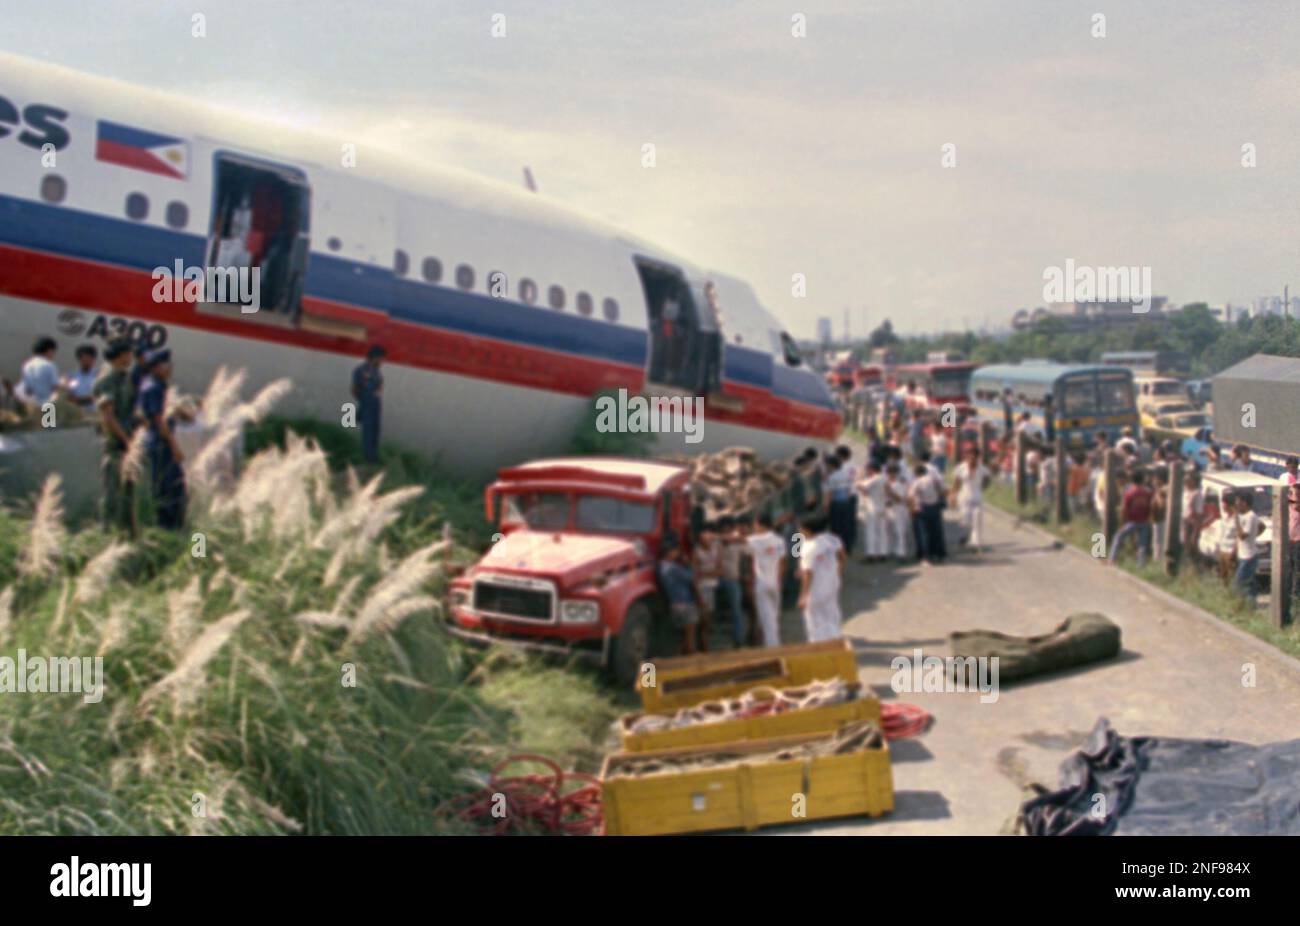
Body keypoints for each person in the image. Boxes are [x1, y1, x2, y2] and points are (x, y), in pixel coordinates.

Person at [137, 348, 187, 530]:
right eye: (166, 365)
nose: (170, 368)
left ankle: (170, 525)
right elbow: (160, 421)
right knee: (170, 486)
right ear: (157, 367)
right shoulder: (154, 388)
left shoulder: (153, 384)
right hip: (162, 444)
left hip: (157, 441)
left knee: (168, 485)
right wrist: (175, 448)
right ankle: (169, 527)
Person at [92, 338, 138, 533]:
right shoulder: (107, 381)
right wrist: (127, 441)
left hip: (128, 441)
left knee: (128, 489)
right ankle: (106, 529)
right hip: (116, 443)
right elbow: (108, 417)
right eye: (128, 353)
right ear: (120, 355)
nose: (131, 357)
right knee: (112, 489)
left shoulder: (125, 377)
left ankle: (126, 530)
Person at [797, 518, 845, 643]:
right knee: (832, 617)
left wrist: (803, 596)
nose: (799, 532)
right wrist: (837, 574)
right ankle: (837, 645)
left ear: (807, 530)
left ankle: (820, 649)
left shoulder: (808, 547)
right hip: (831, 585)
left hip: (815, 590)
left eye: (801, 529)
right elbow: (842, 557)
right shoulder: (832, 539)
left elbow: (808, 573)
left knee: (815, 625)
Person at [746, 513, 785, 647]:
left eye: (755, 524)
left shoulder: (755, 540)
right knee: (774, 618)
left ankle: (773, 648)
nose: (753, 527)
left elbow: (738, 540)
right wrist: (779, 580)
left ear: (760, 524)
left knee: (767, 620)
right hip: (775, 583)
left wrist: (714, 536)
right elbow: (783, 562)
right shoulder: (779, 540)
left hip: (762, 584)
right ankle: (774, 644)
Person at [657, 542, 699, 655]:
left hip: (674, 604)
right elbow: (691, 577)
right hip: (685, 603)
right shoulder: (674, 568)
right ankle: (692, 661)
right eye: (676, 551)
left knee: (679, 638)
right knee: (690, 637)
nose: (678, 553)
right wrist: (689, 564)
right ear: (669, 552)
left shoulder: (661, 567)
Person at [1108, 469, 1153, 567]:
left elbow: (1124, 510)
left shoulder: (1129, 493)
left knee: (1118, 537)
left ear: (1132, 480)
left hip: (1132, 521)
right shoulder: (1148, 493)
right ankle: (1140, 565)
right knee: (1142, 545)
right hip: (1144, 521)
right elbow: (1150, 507)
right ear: (1142, 480)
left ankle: (1112, 560)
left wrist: (1122, 524)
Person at [716, 516, 747, 648]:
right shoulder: (715, 542)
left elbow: (749, 552)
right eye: (724, 530)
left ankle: (738, 639)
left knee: (736, 610)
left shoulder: (738, 544)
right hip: (714, 579)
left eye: (729, 530)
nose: (727, 533)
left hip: (732, 579)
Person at [950, 448, 990, 551]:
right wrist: (953, 496)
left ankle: (976, 544)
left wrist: (983, 485)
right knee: (966, 520)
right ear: (966, 457)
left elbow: (987, 480)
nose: (972, 460)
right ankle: (966, 535)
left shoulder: (982, 469)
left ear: (978, 457)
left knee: (977, 519)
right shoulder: (961, 468)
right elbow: (957, 483)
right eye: (970, 457)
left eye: (975, 457)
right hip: (964, 496)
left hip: (977, 495)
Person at [352, 345, 385, 465]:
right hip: (366, 402)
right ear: (374, 358)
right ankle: (368, 458)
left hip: (375, 404)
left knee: (375, 430)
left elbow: (380, 384)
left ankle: (373, 456)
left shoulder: (376, 371)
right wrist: (363, 400)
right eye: (380, 359)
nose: (382, 362)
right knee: (368, 431)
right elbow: (355, 389)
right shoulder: (361, 370)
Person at [907, 462, 946, 564]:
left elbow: (911, 496)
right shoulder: (934, 480)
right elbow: (942, 491)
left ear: (916, 473)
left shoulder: (917, 482)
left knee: (923, 533)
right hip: (935, 507)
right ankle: (938, 554)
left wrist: (911, 510)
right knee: (936, 532)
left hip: (922, 508)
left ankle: (925, 557)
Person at [691, 523, 721, 651]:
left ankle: (704, 644)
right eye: (704, 533)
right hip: (702, 589)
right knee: (703, 620)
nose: (707, 536)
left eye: (709, 533)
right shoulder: (696, 551)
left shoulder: (716, 548)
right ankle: (703, 647)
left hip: (712, 587)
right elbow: (695, 575)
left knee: (708, 619)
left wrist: (704, 574)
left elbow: (720, 570)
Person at [1231, 493, 1264, 605]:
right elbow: (1261, 526)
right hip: (1243, 554)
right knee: (1250, 583)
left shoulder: (1250, 516)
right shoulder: (1245, 515)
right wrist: (1254, 535)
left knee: (1238, 582)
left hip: (1249, 556)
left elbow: (1242, 536)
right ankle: (1251, 605)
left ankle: (1240, 604)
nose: (1236, 504)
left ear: (1244, 502)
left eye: (1238, 502)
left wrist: (1236, 520)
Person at [856, 461, 889, 562]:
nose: (867, 471)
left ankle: (871, 555)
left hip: (872, 508)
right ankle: (882, 553)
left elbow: (861, 486)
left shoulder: (874, 479)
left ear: (872, 469)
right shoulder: (884, 477)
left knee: (871, 531)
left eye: (868, 469)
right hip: (882, 506)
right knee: (881, 531)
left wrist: (859, 479)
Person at [17, 336, 60, 408]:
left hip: (30, 404)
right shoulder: (49, 365)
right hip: (46, 404)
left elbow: (28, 387)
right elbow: (55, 386)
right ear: (49, 350)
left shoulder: (28, 365)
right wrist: (65, 385)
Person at [1181, 471, 1205, 564]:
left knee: (1191, 546)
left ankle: (1196, 566)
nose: (1186, 481)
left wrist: (1195, 533)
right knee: (1184, 545)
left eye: (1188, 480)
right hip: (1184, 521)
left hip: (1191, 524)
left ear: (1194, 481)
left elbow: (1199, 514)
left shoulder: (1197, 494)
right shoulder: (1185, 491)